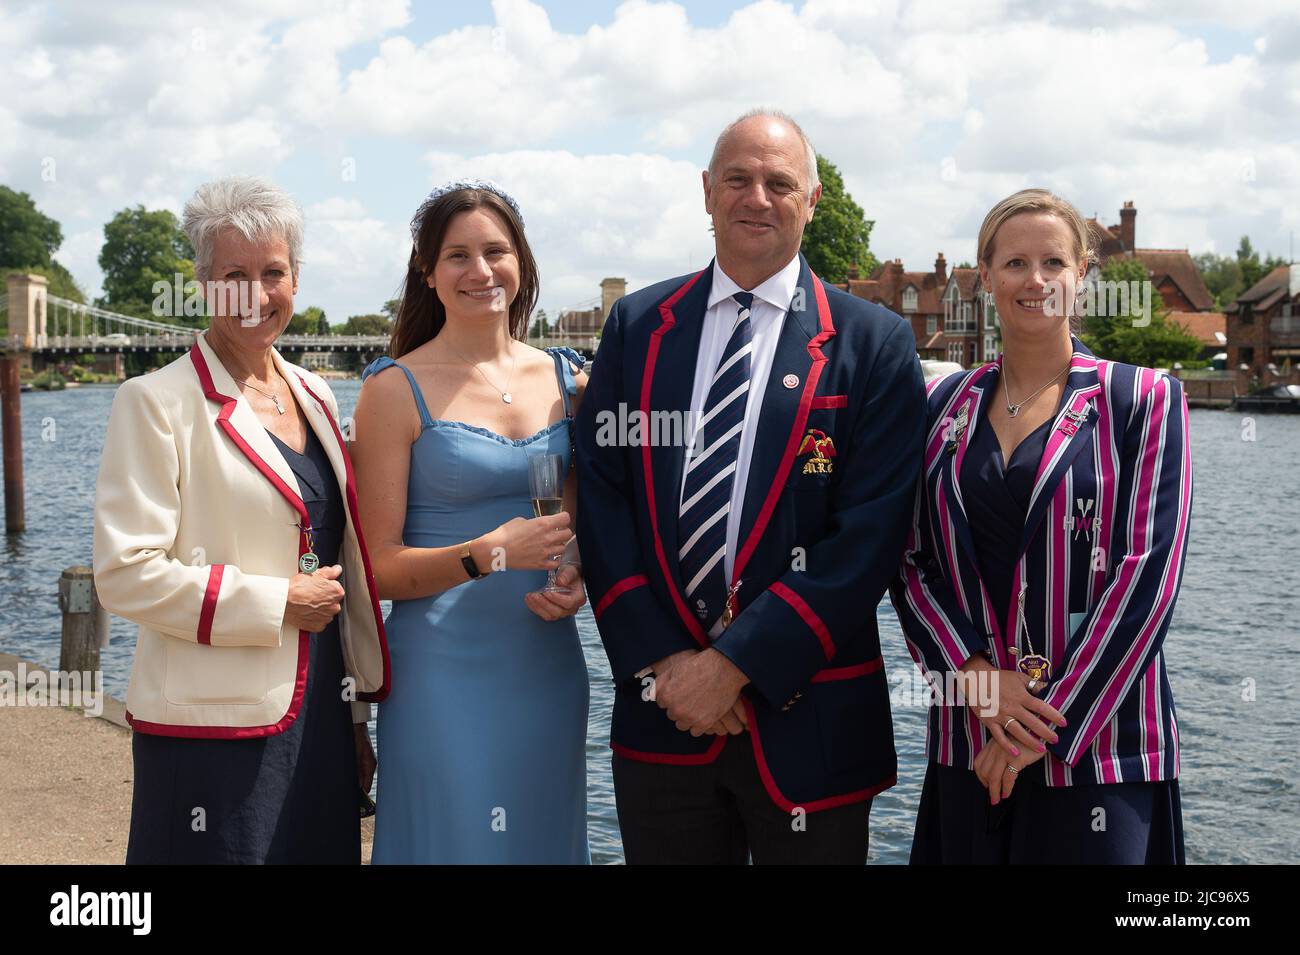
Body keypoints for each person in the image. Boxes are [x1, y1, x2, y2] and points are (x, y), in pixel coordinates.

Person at [576, 110, 926, 864]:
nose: (756, 198)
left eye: (779, 182)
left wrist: (736, 664)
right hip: (663, 716)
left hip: (812, 719)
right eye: (738, 179)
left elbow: (870, 536)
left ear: (813, 200)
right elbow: (603, 501)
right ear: (707, 191)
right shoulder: (638, 326)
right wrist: (667, 663)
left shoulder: (873, 342)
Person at [93, 176, 390, 864]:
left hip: (317, 711)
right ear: (201, 282)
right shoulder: (153, 402)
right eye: (233, 275)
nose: (256, 294)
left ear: (296, 277)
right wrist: (278, 600)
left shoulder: (314, 391)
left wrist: (353, 717)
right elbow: (124, 574)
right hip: (212, 726)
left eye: (273, 272)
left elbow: (331, 556)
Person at [890, 188, 1191, 864]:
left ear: (1081, 274)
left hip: (1102, 754)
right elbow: (908, 563)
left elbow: (1147, 582)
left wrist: (1033, 732)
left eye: (1053, 261)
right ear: (985, 275)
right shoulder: (939, 404)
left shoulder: (1143, 399)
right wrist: (975, 677)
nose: (1036, 280)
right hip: (970, 741)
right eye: (1016, 262)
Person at [352, 179, 591, 864]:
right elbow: (380, 569)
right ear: (428, 271)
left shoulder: (565, 380)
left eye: (496, 250)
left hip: (545, 663)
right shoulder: (393, 388)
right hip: (440, 672)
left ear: (521, 262)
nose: (480, 271)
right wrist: (487, 552)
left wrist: (575, 571)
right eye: (457, 255)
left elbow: (566, 518)